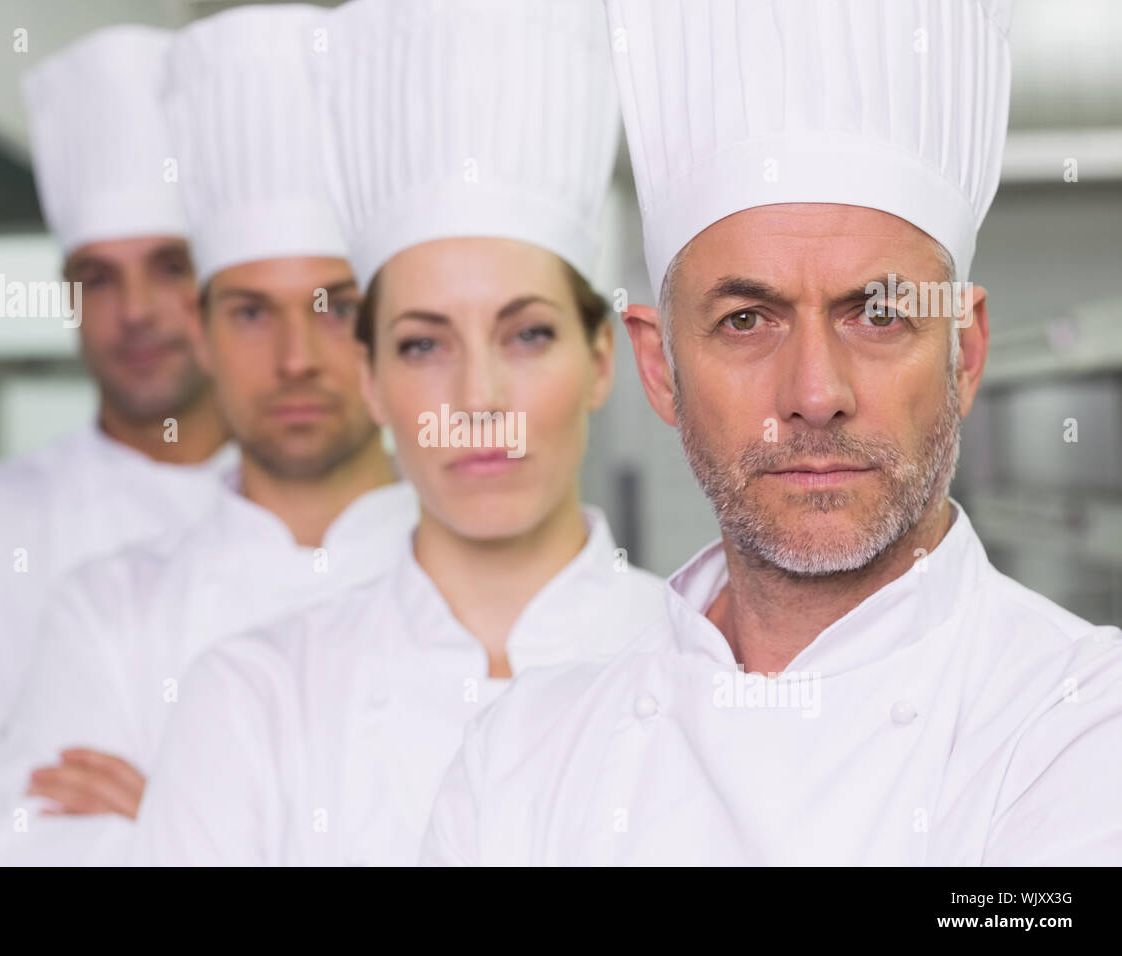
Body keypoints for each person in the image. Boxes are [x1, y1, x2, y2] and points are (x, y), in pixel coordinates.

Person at [421, 0, 1122, 867]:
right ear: (658, 367)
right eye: (748, 320)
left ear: (965, 354)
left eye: (877, 314)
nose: (814, 394)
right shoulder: (519, 762)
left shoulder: (1082, 723)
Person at [129, 0, 668, 867]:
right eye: (423, 344)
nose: (477, 395)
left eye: (527, 333)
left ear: (601, 358)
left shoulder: (712, 672)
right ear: (372, 380)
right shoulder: (254, 698)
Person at [0, 4, 417, 866]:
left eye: (335, 307)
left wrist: (169, 821)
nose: (294, 359)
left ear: (393, 330)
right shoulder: (106, 613)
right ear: (201, 331)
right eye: (251, 312)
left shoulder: (477, 600)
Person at [0, 25, 236, 866]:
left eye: (168, 267)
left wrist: (161, 818)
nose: (134, 311)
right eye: (98, 278)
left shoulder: (310, 513)